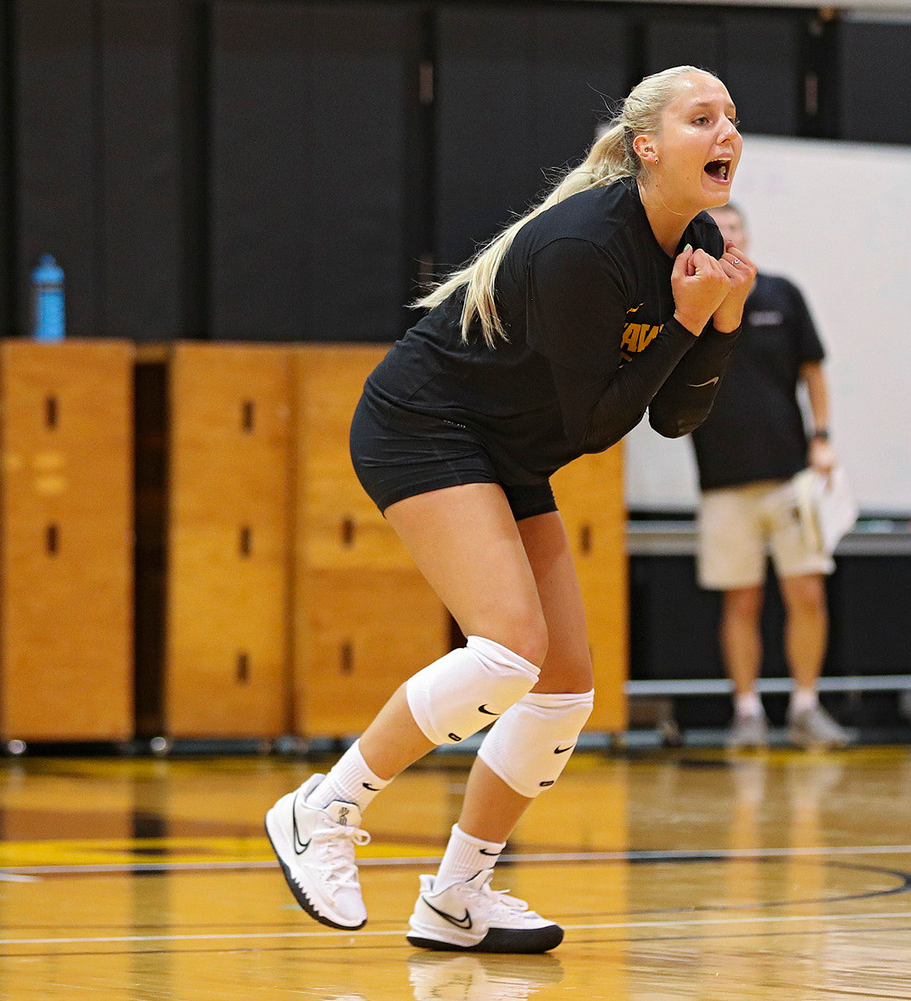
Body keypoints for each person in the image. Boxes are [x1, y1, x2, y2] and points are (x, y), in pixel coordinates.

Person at [264, 65, 754, 954]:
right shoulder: (585, 246)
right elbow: (596, 427)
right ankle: (322, 808)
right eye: (702, 118)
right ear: (646, 146)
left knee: (564, 689)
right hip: (425, 424)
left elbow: (676, 419)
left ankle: (456, 895)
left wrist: (719, 321)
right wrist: (687, 324)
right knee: (508, 650)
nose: (727, 132)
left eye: (731, 117)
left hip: (513, 449)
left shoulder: (700, 239)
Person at [689, 203, 853, 750]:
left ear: (748, 236)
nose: (727, 236)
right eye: (717, 230)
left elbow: (813, 371)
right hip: (723, 482)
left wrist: (822, 437)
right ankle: (747, 712)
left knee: (806, 592)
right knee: (741, 601)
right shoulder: (689, 302)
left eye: (735, 228)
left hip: (790, 477)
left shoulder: (782, 295)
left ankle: (805, 707)